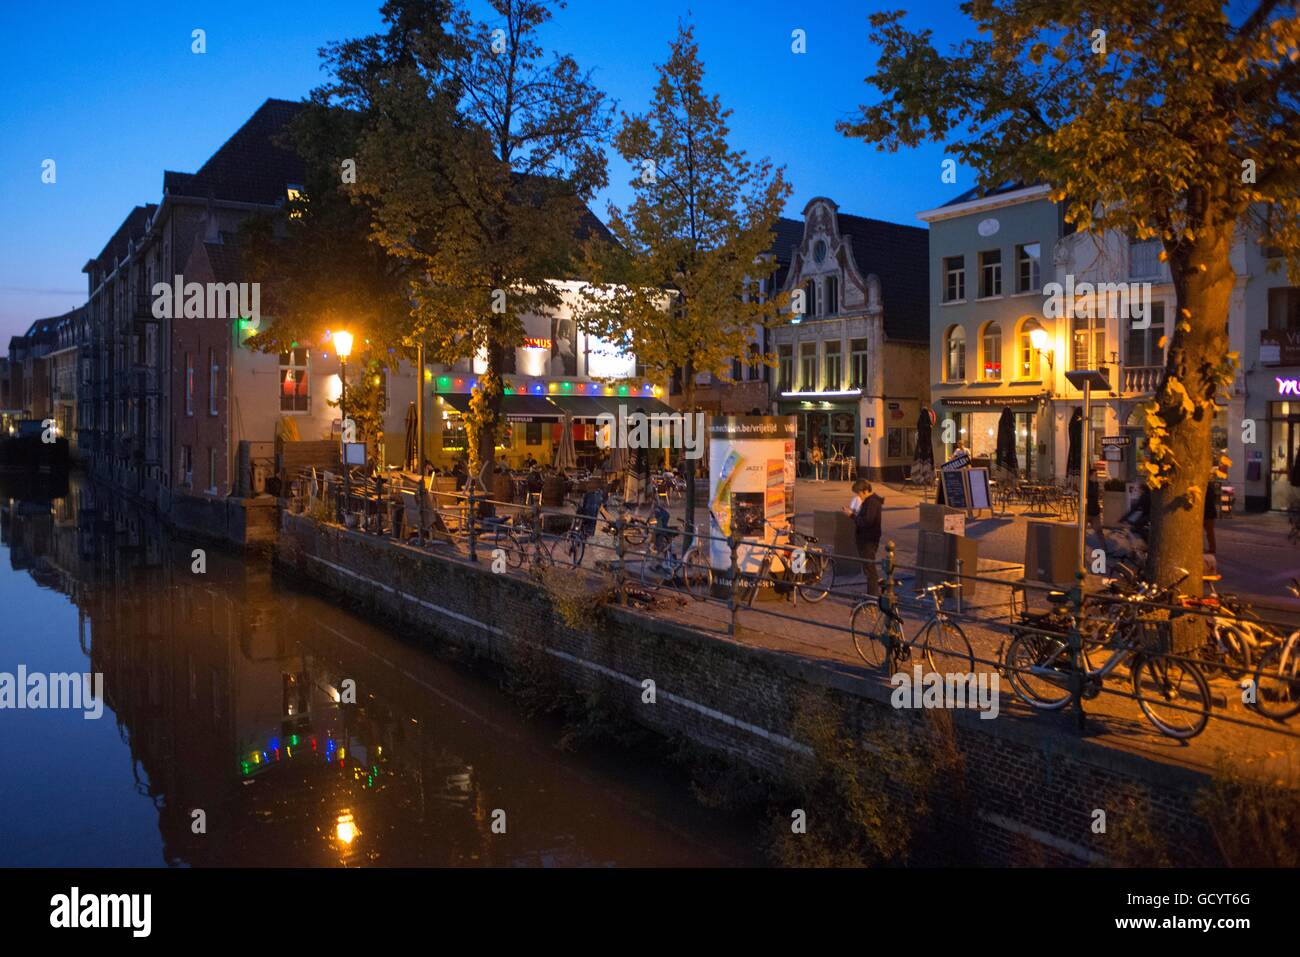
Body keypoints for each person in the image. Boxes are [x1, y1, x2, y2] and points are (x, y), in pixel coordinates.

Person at [844, 479, 884, 595]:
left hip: (868, 541)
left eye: (859, 493)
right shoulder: (870, 501)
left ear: (866, 491)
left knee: (870, 569)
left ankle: (873, 596)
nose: (859, 497)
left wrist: (852, 515)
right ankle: (872, 594)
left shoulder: (872, 502)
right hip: (866, 539)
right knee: (868, 569)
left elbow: (867, 522)